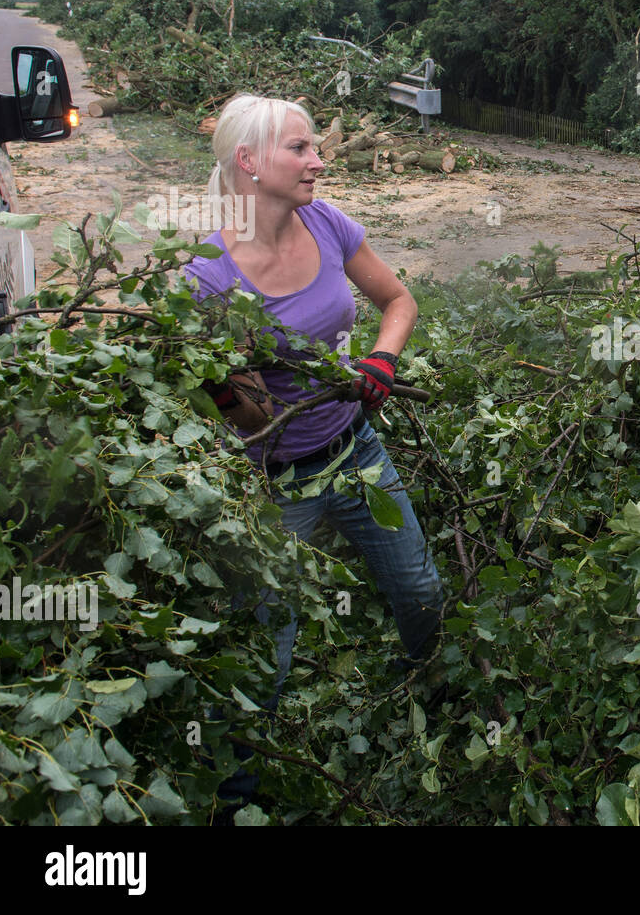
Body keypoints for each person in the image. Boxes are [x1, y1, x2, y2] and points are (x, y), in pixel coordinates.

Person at [183, 94, 445, 714]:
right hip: (274, 481)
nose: (319, 162)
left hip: (357, 452)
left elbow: (399, 302)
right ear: (247, 161)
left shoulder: (327, 223)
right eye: (300, 149)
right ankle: (240, 786)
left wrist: (381, 360)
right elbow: (256, 419)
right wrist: (225, 386)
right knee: (268, 643)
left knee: (420, 590)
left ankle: (430, 691)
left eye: (317, 149)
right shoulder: (211, 276)